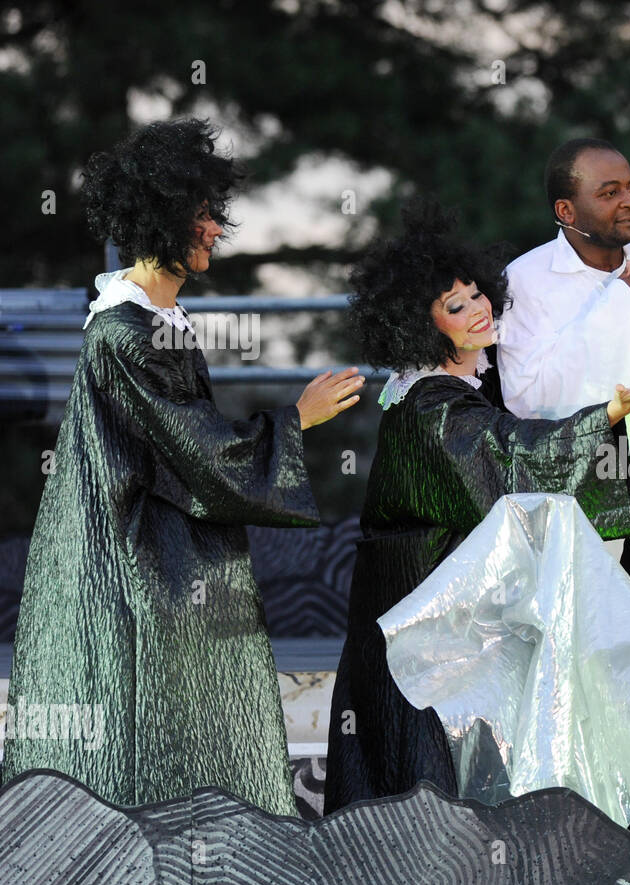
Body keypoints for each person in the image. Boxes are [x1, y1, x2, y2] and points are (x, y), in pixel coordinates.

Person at [0, 120, 363, 814]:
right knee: (153, 758)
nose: (215, 230)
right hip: (135, 585)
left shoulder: (152, 324)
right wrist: (296, 420)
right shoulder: (125, 333)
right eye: (201, 215)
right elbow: (199, 455)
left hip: (155, 577)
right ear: (162, 217)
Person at [323, 200, 630, 814]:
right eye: (454, 306)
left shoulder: (462, 384)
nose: (478, 308)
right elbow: (510, 455)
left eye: (475, 294)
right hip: (428, 614)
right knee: (429, 766)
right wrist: (608, 415)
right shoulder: (433, 404)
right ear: (422, 325)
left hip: (433, 605)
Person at [495, 138, 630, 847]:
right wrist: (614, 306)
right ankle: (578, 853)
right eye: (609, 193)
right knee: (581, 690)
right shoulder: (525, 282)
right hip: (580, 514)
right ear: (566, 210)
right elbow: (527, 394)